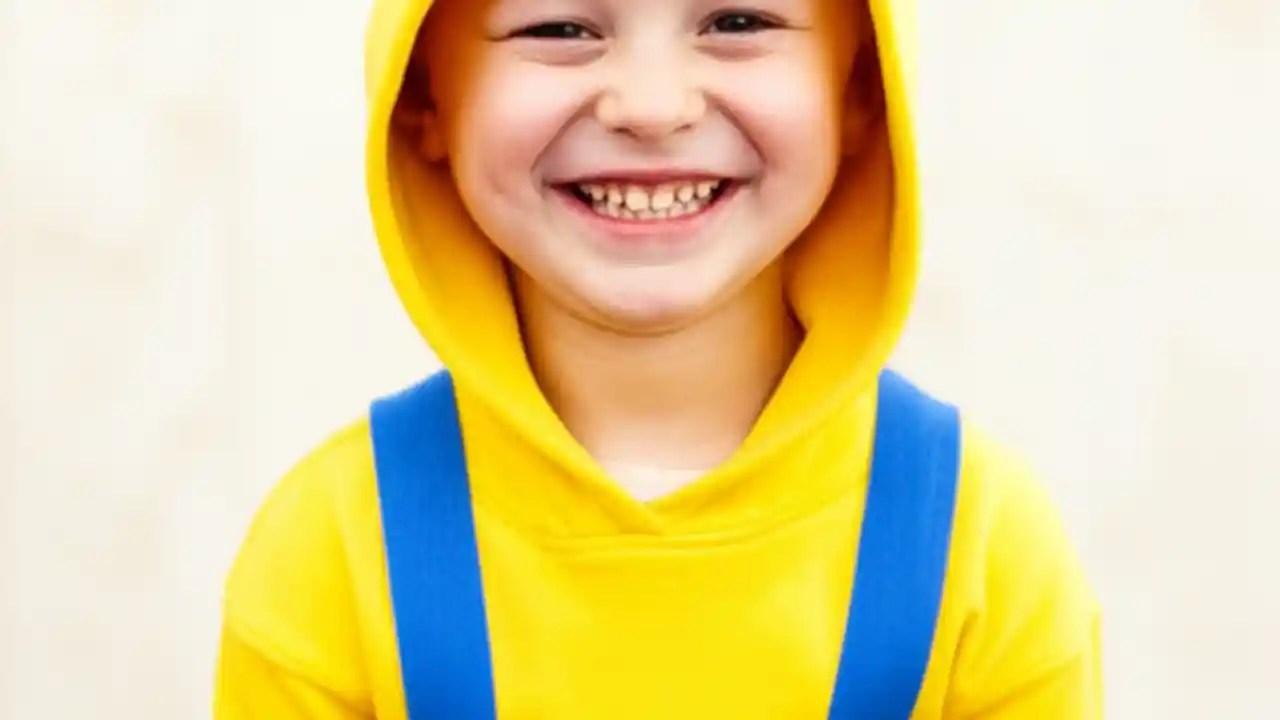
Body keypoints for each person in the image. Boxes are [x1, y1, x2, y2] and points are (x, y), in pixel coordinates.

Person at [215, 0, 1102, 716]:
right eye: (558, 26)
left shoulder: (980, 555)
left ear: (861, 90)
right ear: (423, 99)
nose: (651, 105)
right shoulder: (332, 553)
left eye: (738, 21)